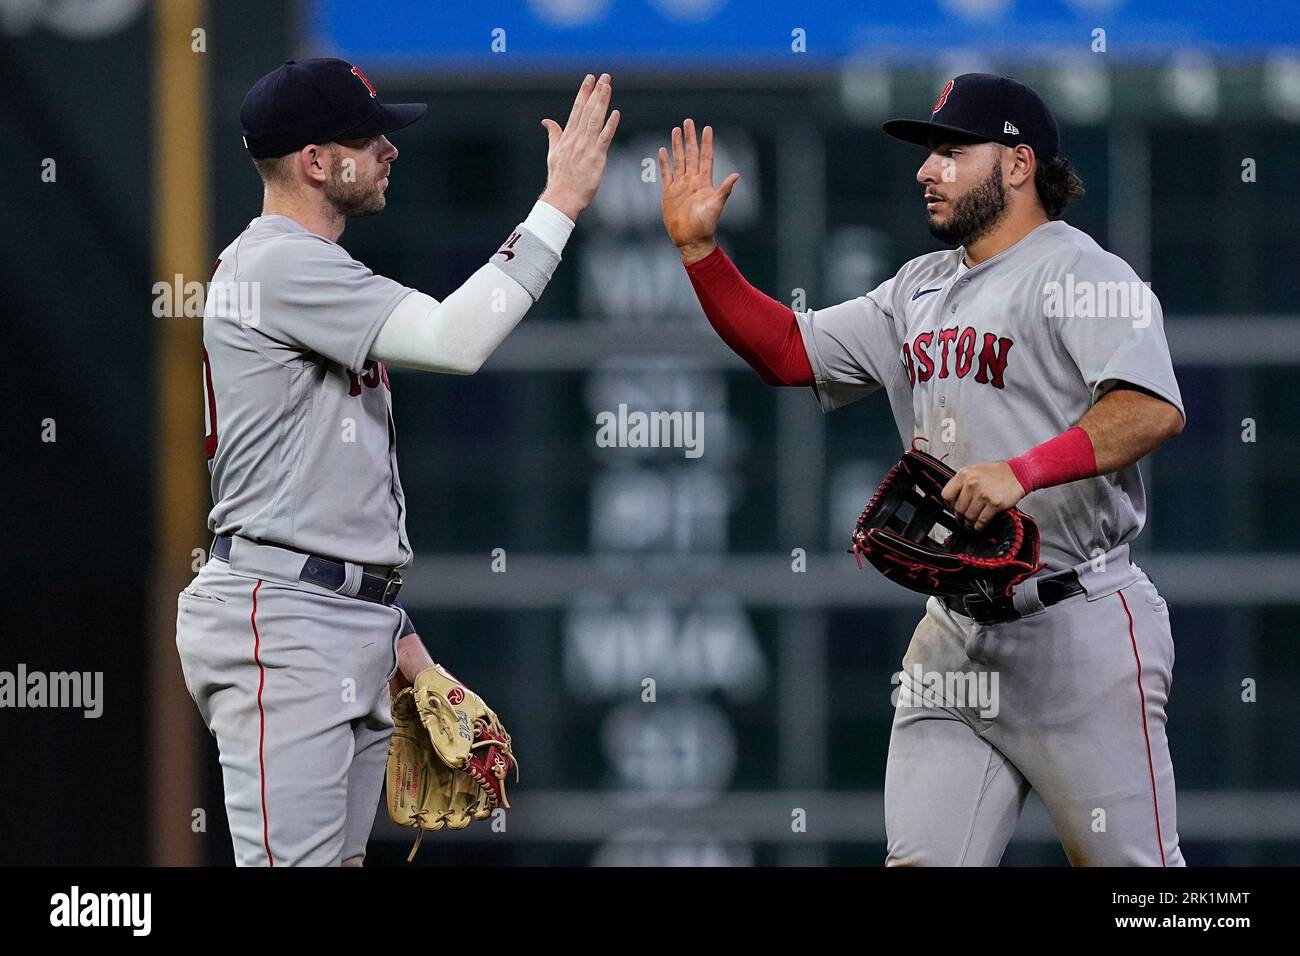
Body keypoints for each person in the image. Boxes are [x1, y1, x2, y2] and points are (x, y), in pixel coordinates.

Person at [659, 74, 1185, 866]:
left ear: (1017, 163)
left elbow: (1152, 408)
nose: (925, 169)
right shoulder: (919, 287)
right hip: (954, 638)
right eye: (928, 152)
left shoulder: (1083, 272)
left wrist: (1023, 470)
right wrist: (702, 254)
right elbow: (788, 352)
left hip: (1079, 629)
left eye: (949, 151)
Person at [176, 59, 618, 866]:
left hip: (335, 617)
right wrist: (559, 206)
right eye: (369, 137)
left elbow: (326, 494)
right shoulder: (278, 262)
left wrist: (400, 643)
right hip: (282, 619)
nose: (390, 150)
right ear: (316, 161)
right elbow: (456, 340)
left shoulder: (305, 269)